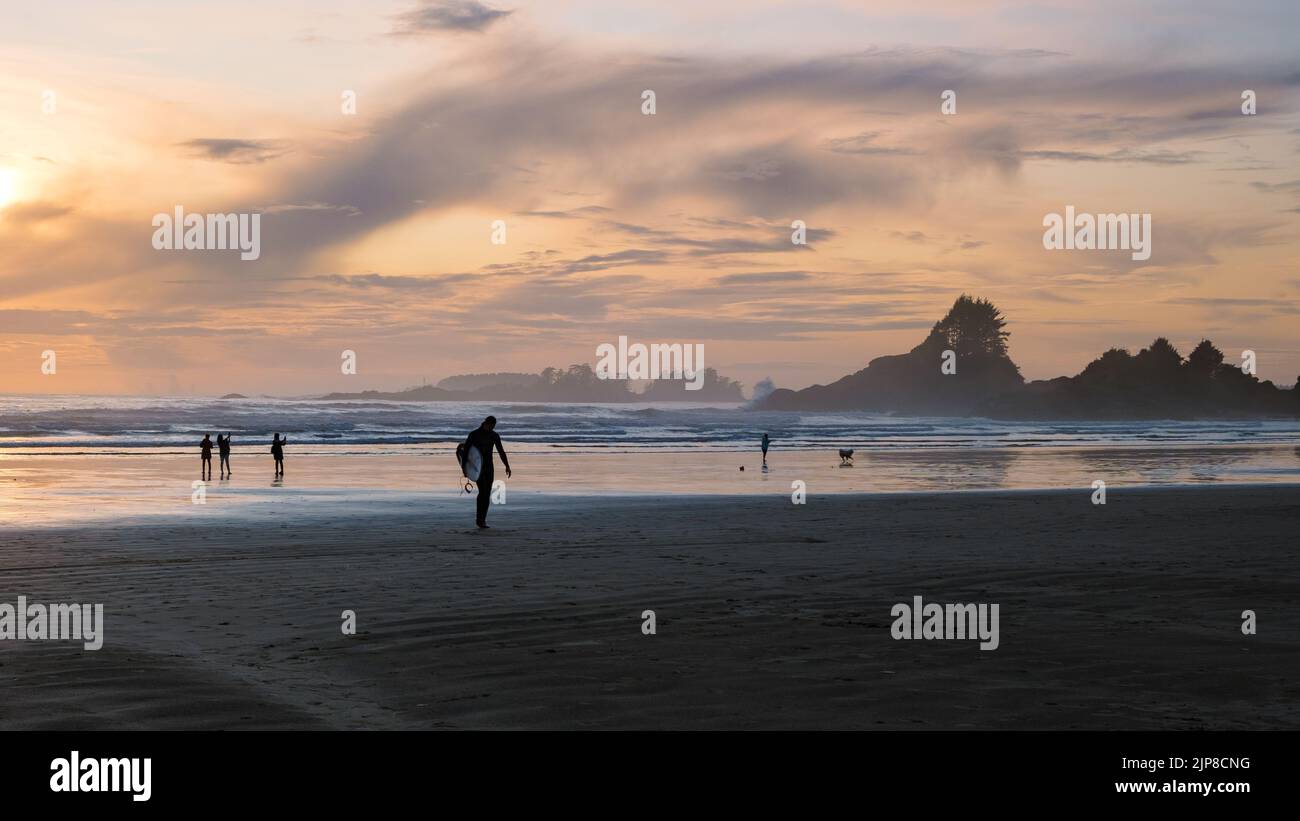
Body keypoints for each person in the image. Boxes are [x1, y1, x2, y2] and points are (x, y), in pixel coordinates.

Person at [462, 415, 511, 529]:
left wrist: (507, 466)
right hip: (477, 468)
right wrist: (464, 468)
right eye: (491, 426)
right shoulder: (474, 434)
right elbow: (466, 452)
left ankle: (482, 520)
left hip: (489, 467)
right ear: (485, 423)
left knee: (487, 493)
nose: (492, 428)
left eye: (494, 427)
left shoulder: (494, 435)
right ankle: (479, 520)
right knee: (482, 492)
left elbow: (501, 451)